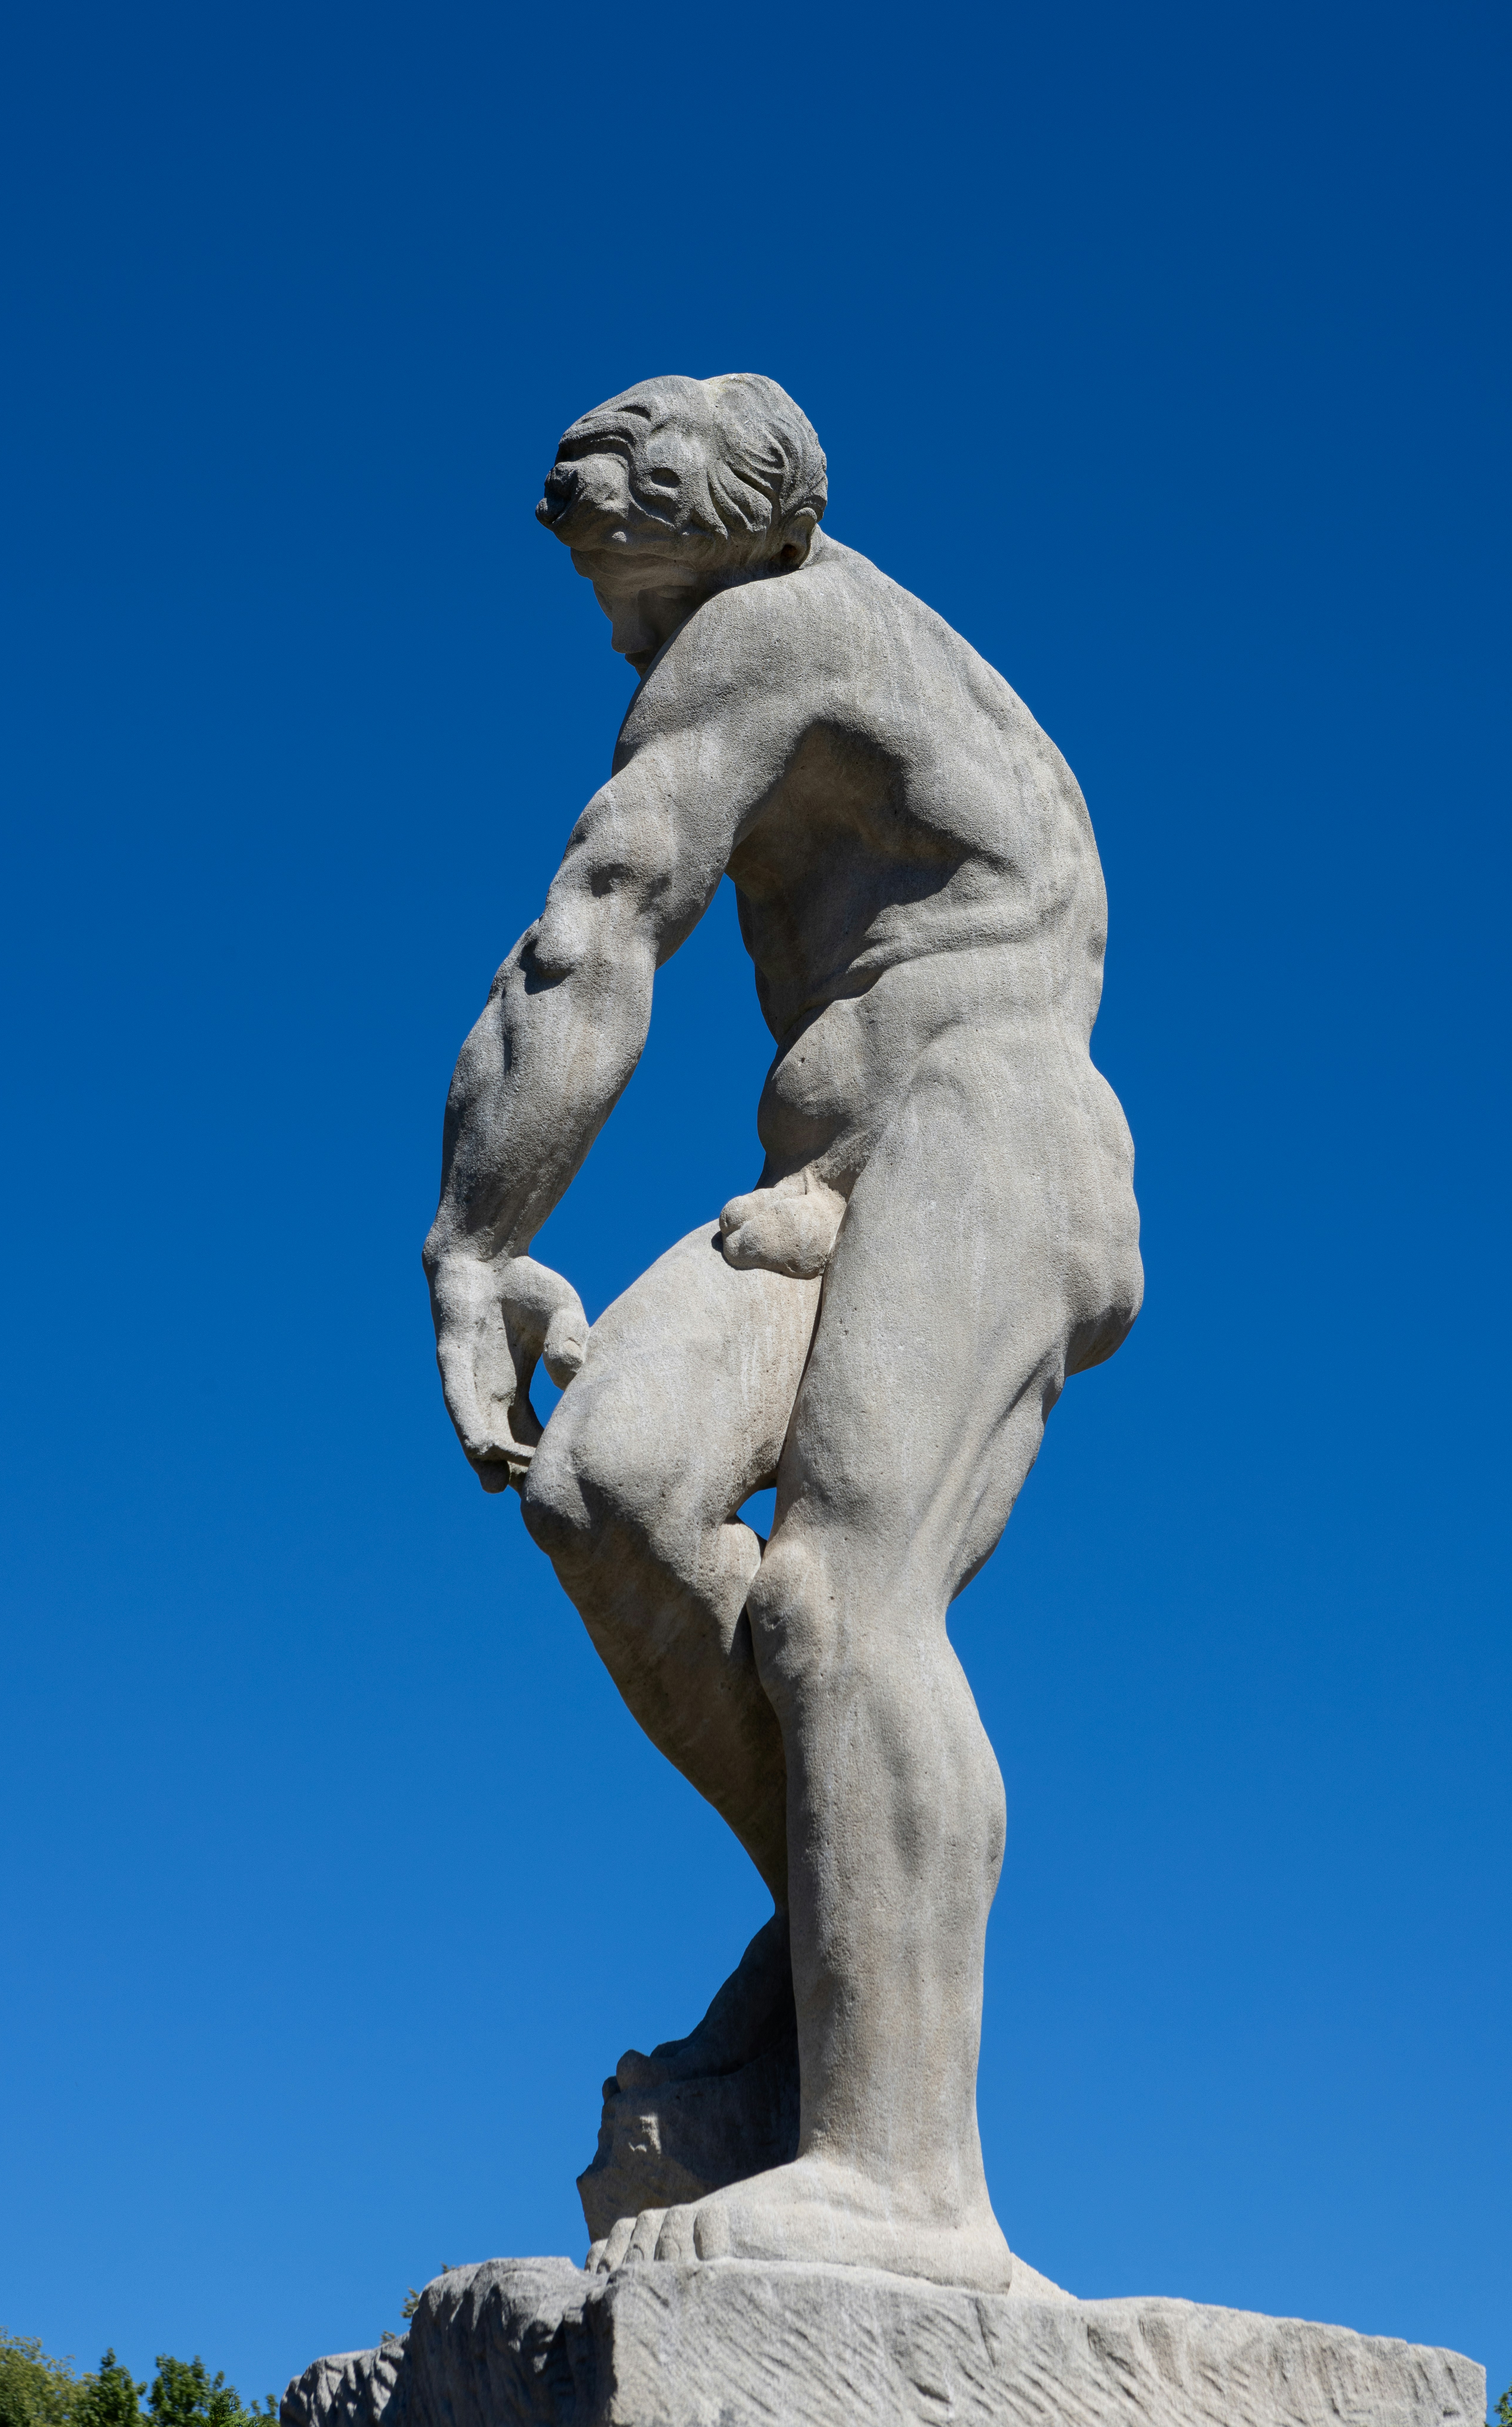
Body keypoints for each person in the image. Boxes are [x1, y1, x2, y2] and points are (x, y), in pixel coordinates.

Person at [423, 373, 1142, 2289]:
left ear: (703, 530)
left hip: (985, 1132)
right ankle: (834, 1968)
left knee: (838, 1603)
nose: (606, 614)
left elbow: (599, 920)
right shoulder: (835, 641)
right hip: (830, 1178)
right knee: (603, 1486)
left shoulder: (777, 624)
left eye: (614, 568)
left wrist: (474, 1238)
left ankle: (902, 2172)